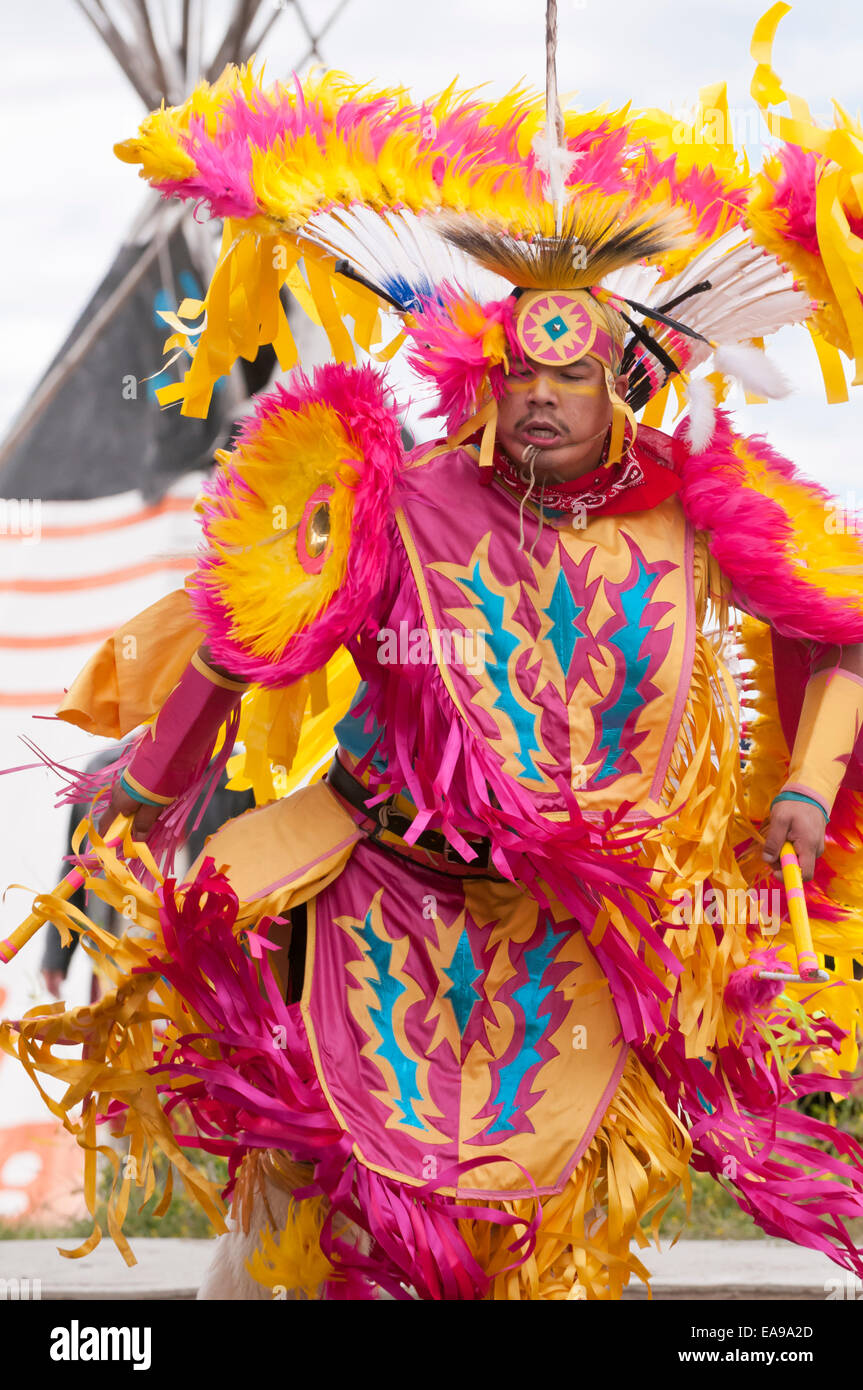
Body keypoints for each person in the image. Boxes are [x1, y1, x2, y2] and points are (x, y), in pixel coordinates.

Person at [5, 6, 863, 1301]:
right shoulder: (401, 496)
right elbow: (245, 637)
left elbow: (838, 629)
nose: (538, 396)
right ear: (483, 378)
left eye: (567, 380)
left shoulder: (704, 505)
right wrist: (151, 780)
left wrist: (802, 790)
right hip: (382, 899)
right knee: (319, 1212)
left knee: (546, 1240)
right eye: (516, 374)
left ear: (615, 388)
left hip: (579, 935)